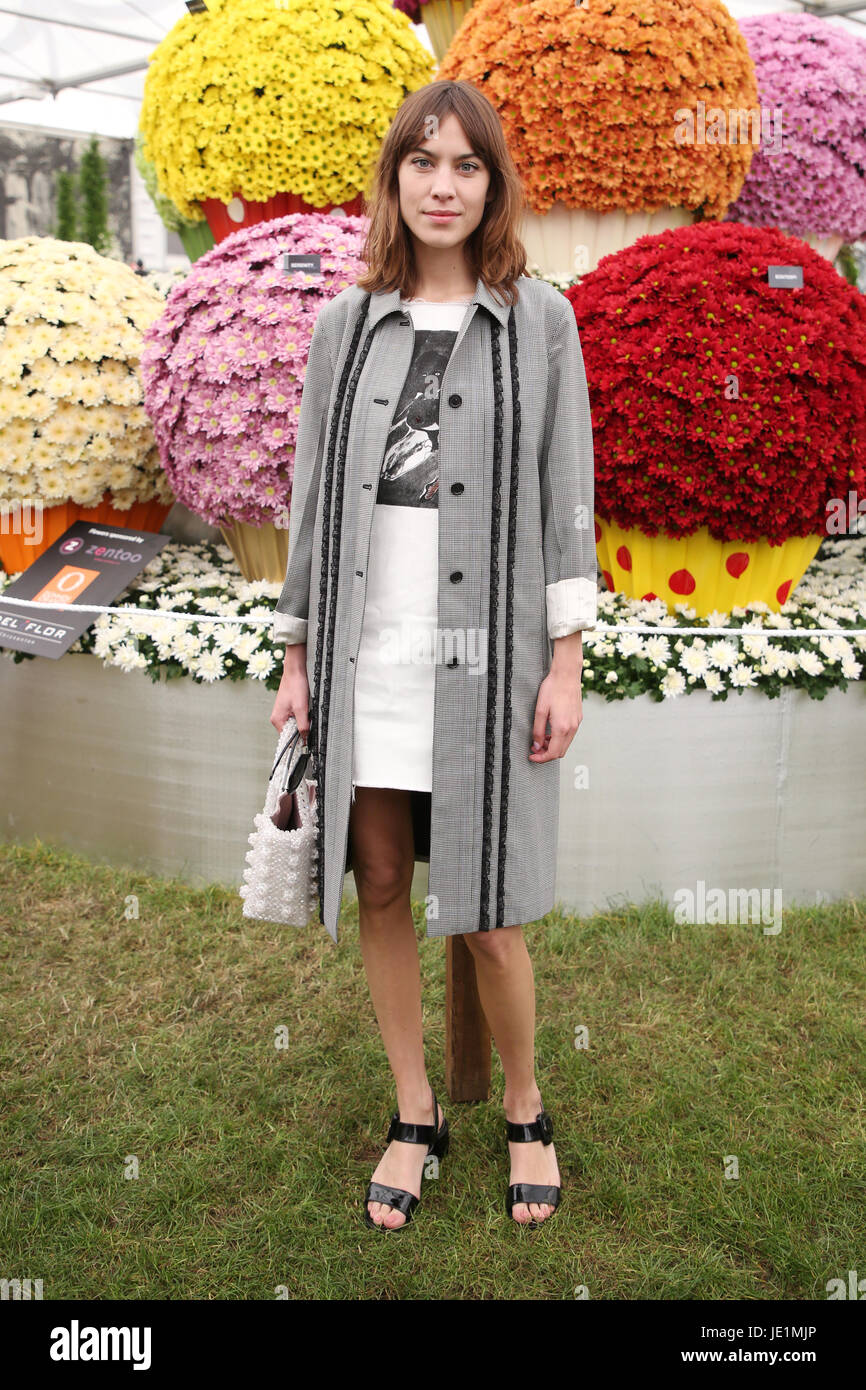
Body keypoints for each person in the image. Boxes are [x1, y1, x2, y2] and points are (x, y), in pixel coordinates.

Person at [270, 79, 597, 1232]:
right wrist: (297, 654)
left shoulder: (538, 321)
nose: (442, 185)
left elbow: (567, 498)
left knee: (492, 910)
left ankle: (522, 1104)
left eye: (465, 165)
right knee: (385, 887)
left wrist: (563, 662)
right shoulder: (341, 326)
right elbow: (310, 500)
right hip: (369, 661)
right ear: (393, 178)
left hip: (489, 662)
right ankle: (413, 1110)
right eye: (423, 162)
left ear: (491, 183)